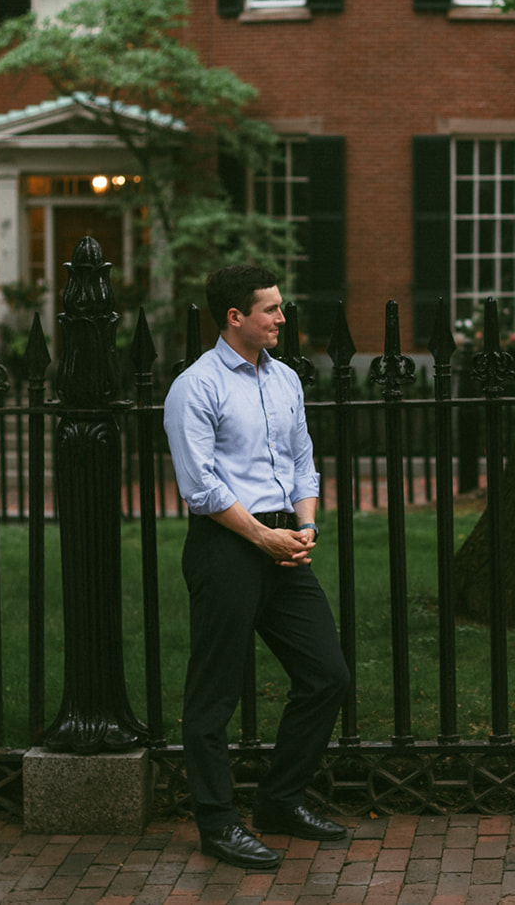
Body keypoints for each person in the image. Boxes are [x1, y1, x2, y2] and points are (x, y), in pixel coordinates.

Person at [164, 264, 352, 868]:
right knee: (213, 696)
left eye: (280, 306)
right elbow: (201, 486)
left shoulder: (287, 379)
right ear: (235, 317)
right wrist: (262, 538)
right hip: (227, 545)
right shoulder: (196, 386)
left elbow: (302, 459)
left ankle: (279, 801)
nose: (282, 317)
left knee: (327, 675)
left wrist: (305, 526)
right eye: (270, 309)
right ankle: (219, 824)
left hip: (284, 539)